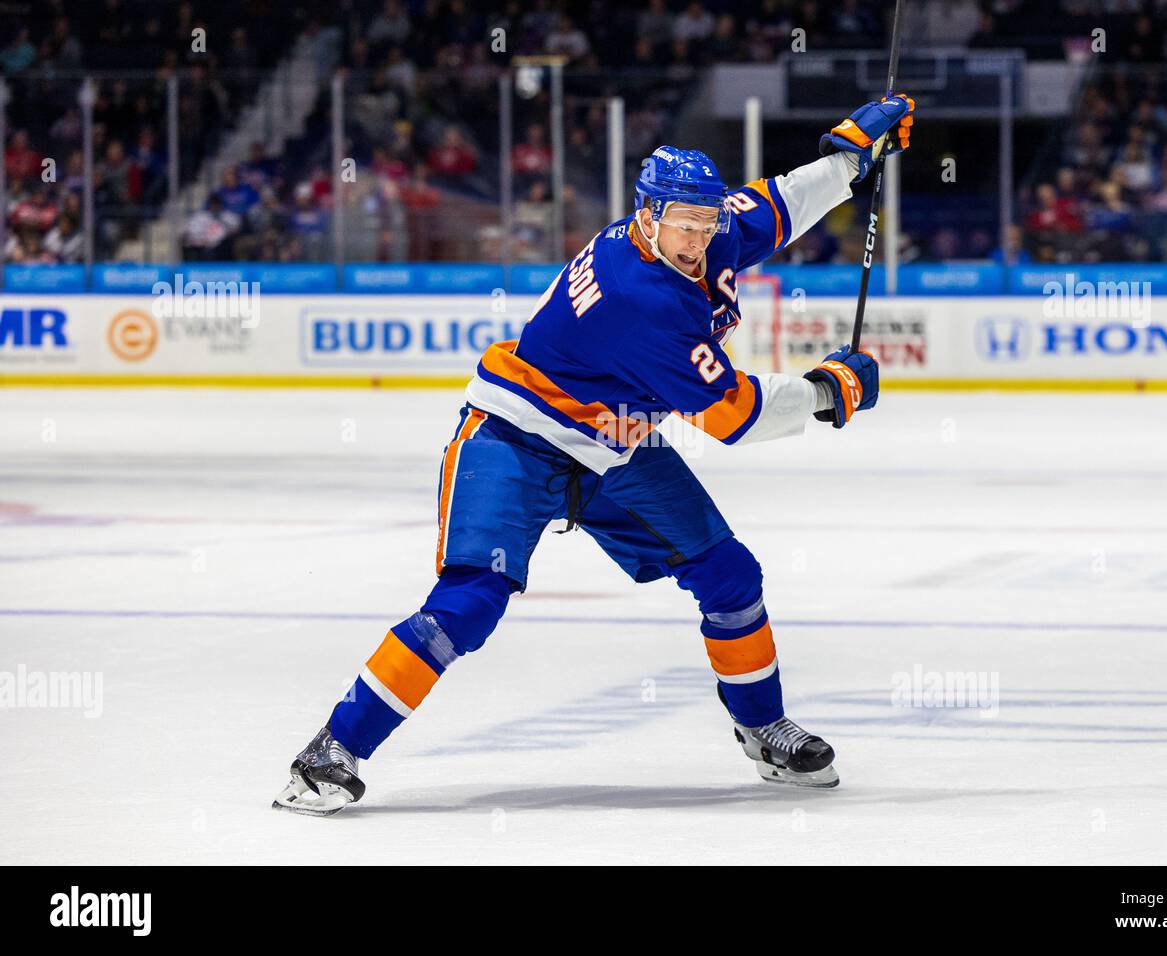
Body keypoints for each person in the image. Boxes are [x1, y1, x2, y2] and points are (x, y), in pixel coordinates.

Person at [273, 94, 917, 815]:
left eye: (706, 221)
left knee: (729, 574)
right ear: (646, 217)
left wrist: (849, 158)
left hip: (614, 440)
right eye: (683, 223)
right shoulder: (641, 298)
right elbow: (734, 417)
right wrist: (830, 391)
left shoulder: (702, 228)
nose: (698, 236)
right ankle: (332, 749)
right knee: (468, 605)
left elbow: (779, 205)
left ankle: (762, 726)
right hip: (515, 439)